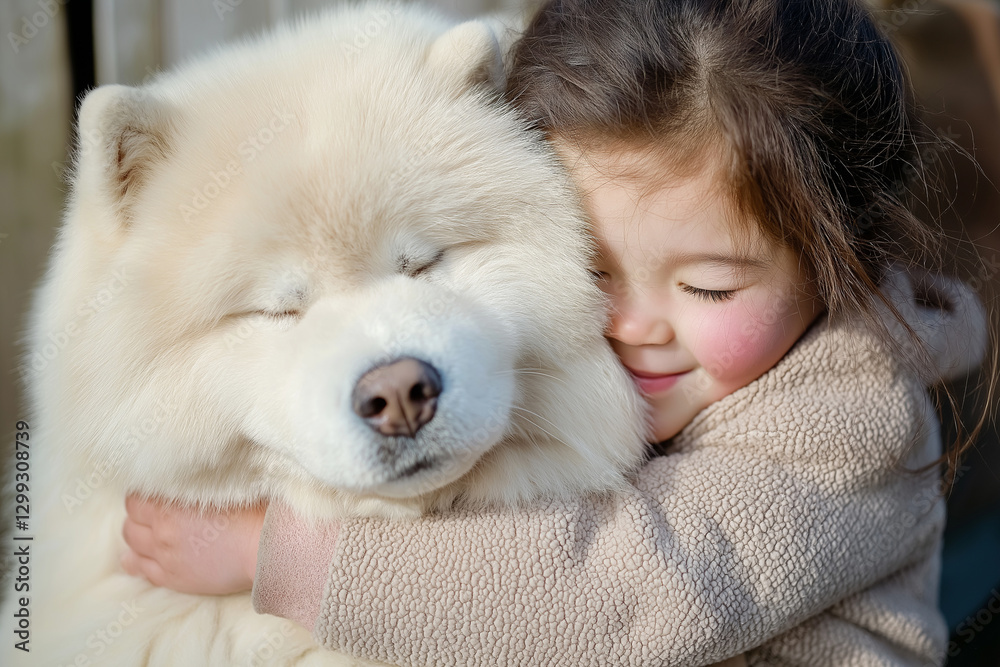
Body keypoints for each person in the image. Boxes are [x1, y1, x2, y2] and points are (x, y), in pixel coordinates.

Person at [121, 0, 991, 664]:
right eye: (594, 269)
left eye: (708, 286)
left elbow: (613, 594)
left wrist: (274, 552)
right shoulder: (646, 374)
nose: (637, 322)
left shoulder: (851, 415)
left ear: (839, 257)